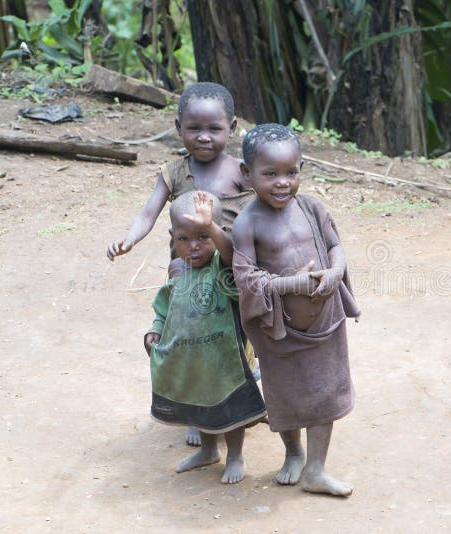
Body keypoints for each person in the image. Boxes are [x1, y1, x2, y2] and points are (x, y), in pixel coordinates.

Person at [106, 82, 256, 445]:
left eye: (215, 129)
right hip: (187, 270)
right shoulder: (173, 172)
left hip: (230, 269)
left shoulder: (243, 170)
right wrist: (129, 238)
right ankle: (195, 408)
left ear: (232, 128)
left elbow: (264, 211)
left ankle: (242, 394)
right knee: (189, 337)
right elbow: (149, 213)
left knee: (236, 334)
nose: (204, 137)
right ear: (178, 128)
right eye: (194, 128)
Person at [232, 124, 360, 497]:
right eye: (270, 174)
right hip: (280, 329)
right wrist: (292, 285)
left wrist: (334, 272)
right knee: (285, 394)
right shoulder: (247, 223)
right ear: (247, 174)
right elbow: (247, 278)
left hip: (324, 321)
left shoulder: (312, 207)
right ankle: (293, 452)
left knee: (324, 395)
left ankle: (316, 469)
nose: (282, 182)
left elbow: (336, 246)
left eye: (291, 172)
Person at [144, 191, 265, 484]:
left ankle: (235, 456)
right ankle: (208, 451)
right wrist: (154, 331)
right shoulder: (179, 276)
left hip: (226, 364)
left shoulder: (222, 269)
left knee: (230, 412)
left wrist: (213, 227)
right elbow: (164, 309)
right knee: (199, 410)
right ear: (173, 238)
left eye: (203, 237)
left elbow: (231, 254)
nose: (194, 247)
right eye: (184, 239)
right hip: (193, 364)